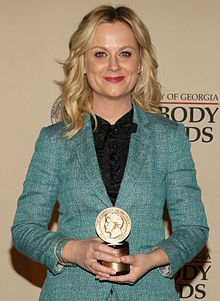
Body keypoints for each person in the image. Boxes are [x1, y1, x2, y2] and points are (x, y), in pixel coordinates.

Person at [11, 5, 209, 301]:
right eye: (100, 53)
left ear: (140, 62)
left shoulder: (169, 137)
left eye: (125, 53)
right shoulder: (54, 140)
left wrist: (153, 258)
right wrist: (72, 250)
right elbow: (25, 229)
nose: (113, 66)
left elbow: (193, 228)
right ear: (83, 62)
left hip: (150, 292)